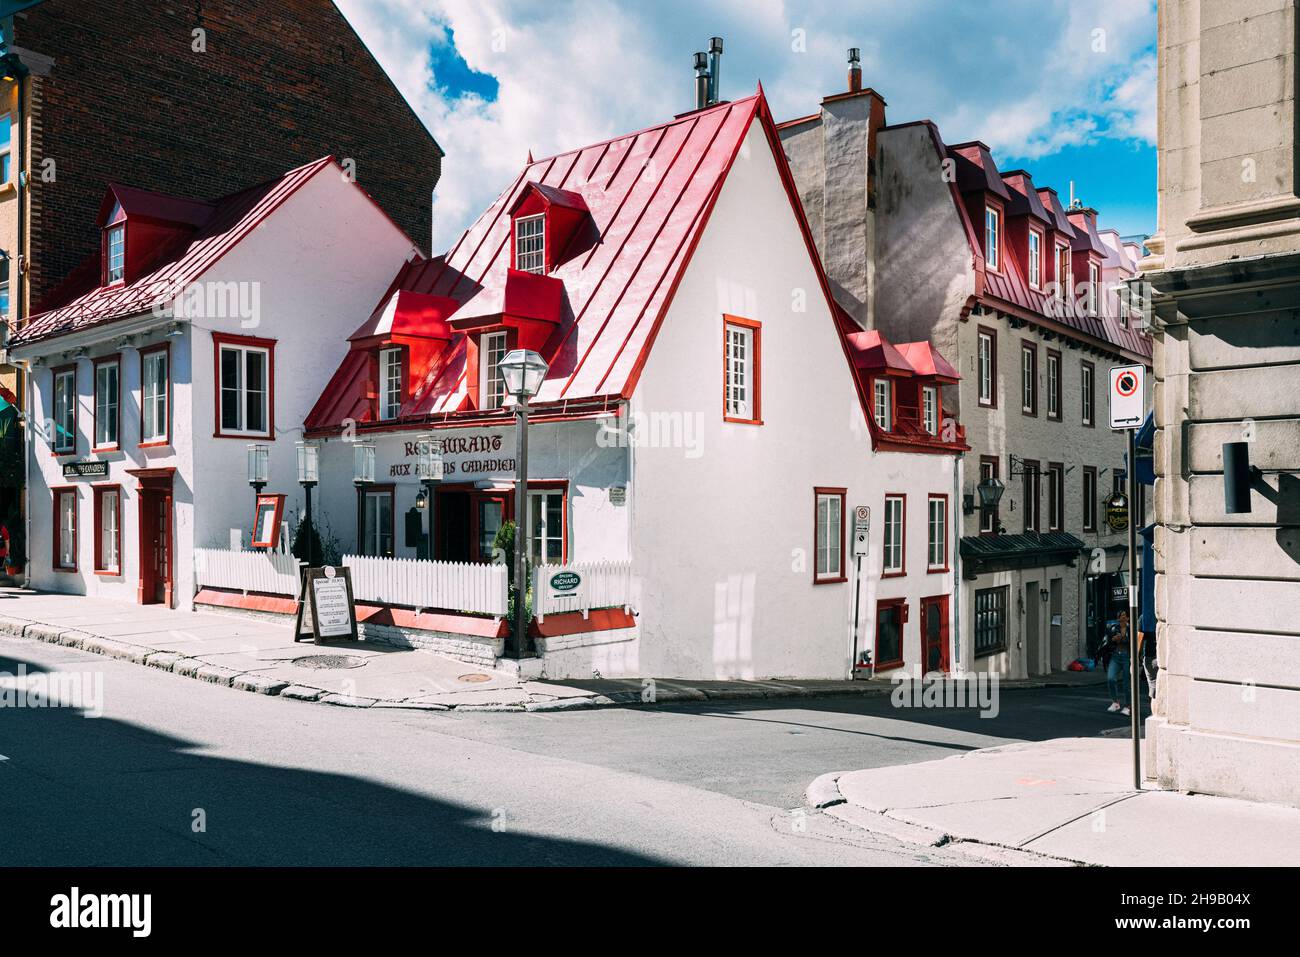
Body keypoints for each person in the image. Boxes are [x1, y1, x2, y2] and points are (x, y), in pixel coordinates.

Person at [1104, 610, 1131, 716]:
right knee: (1111, 678)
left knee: (1126, 684)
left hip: (1127, 657)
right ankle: (1115, 702)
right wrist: (1113, 639)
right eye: (1120, 616)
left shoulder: (1131, 628)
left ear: (1128, 618)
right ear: (1118, 618)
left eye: (1124, 616)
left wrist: (1125, 639)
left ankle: (1128, 706)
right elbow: (1108, 641)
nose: (1122, 618)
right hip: (1116, 656)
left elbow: (1136, 642)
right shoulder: (1114, 628)